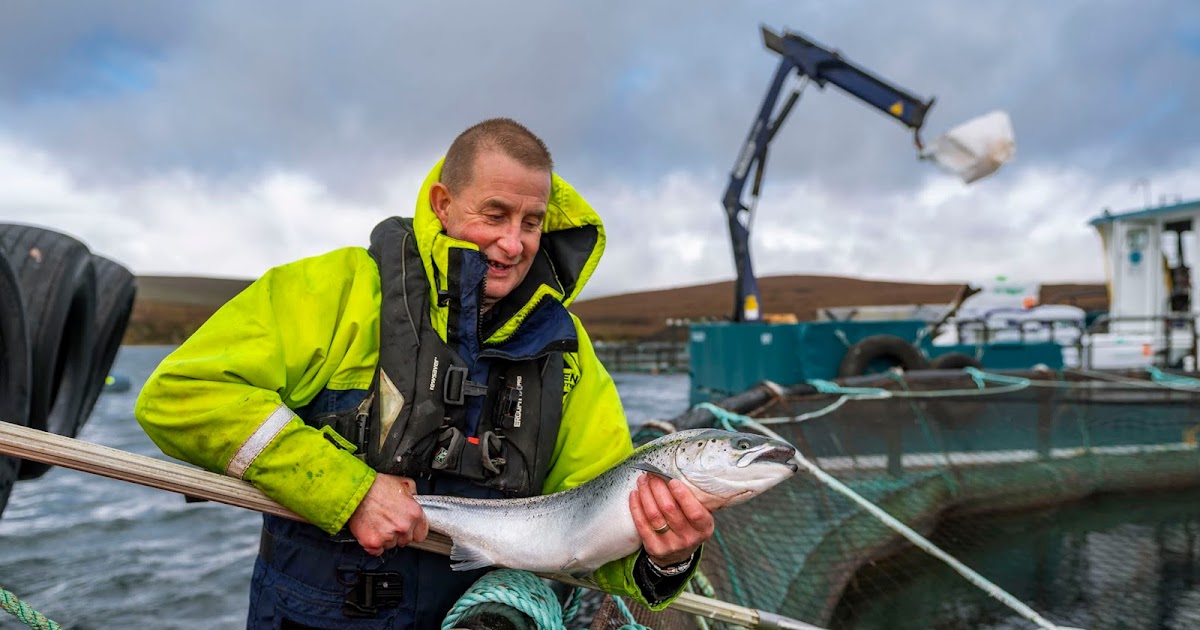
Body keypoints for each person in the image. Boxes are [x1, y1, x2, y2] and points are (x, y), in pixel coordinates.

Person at [135, 118, 715, 628]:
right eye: (495, 215)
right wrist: (350, 490)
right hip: (310, 619)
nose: (513, 243)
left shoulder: (570, 352)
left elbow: (583, 531)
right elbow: (179, 395)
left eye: (531, 222)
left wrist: (664, 556)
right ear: (442, 203)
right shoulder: (332, 291)